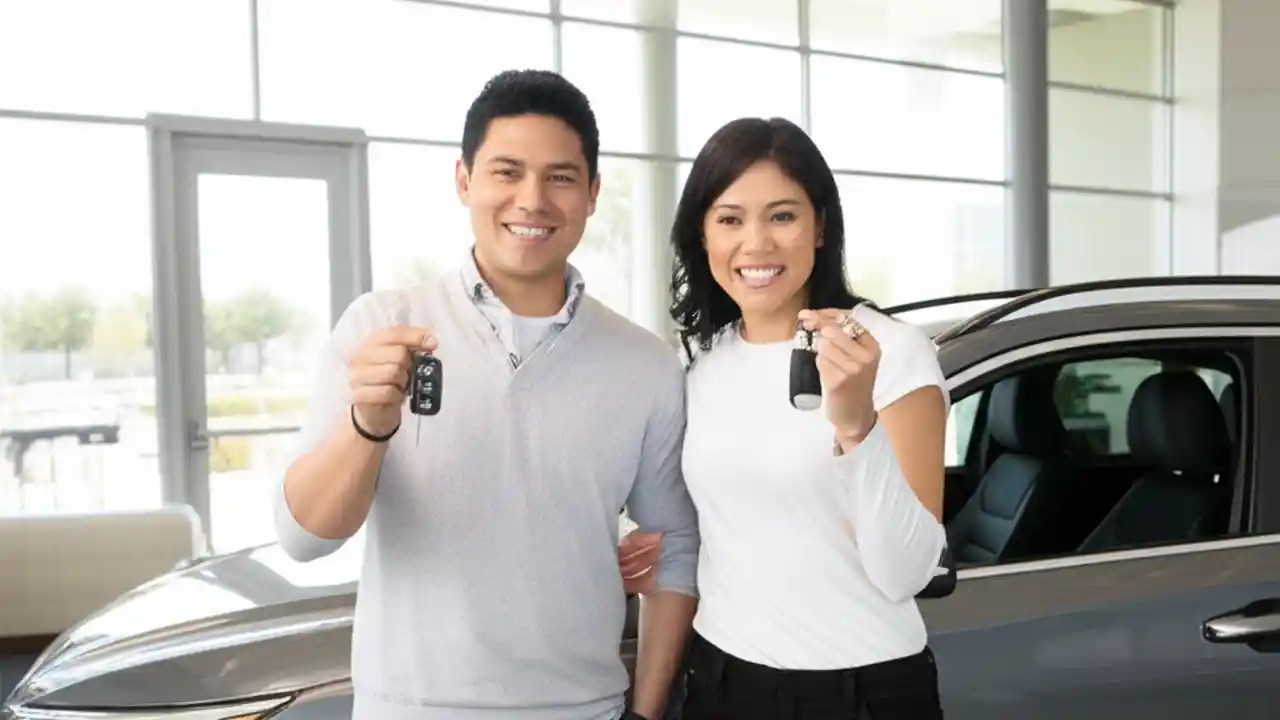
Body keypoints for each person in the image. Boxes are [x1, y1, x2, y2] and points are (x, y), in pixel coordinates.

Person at [274, 69, 699, 720]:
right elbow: (304, 538)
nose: (532, 200)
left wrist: (645, 714)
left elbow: (673, 546)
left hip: (583, 709)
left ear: (591, 194)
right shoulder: (380, 326)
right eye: (506, 172)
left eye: (560, 177)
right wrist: (368, 426)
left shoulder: (644, 363)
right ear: (464, 180)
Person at [668, 117, 950, 718]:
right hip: (721, 680)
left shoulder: (889, 351)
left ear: (820, 227)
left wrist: (857, 429)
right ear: (703, 234)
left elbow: (905, 572)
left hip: (858, 688)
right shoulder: (704, 362)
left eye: (782, 215)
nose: (757, 244)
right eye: (729, 219)